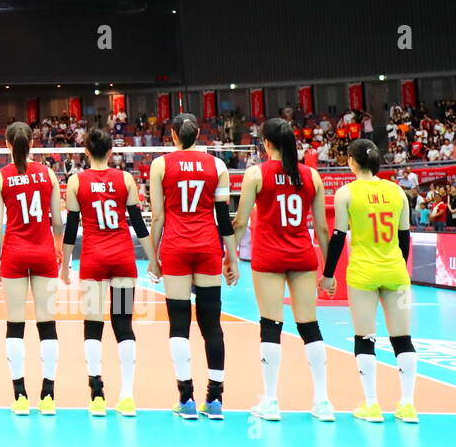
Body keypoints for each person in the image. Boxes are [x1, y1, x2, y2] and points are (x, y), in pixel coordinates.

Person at [232, 119, 334, 422]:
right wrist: (328, 272)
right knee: (309, 326)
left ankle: (271, 400)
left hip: (269, 257)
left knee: (270, 325)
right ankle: (324, 402)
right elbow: (323, 230)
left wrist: (229, 256)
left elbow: (239, 222)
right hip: (302, 256)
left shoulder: (255, 174)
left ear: (266, 143)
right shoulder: (311, 175)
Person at [322, 139, 419, 424]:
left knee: (365, 337)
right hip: (395, 272)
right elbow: (404, 238)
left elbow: (339, 237)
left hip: (363, 273)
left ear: (352, 161)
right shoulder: (397, 191)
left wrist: (328, 275)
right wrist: (397, 265)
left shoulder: (346, 193)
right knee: (403, 339)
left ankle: (372, 405)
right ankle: (408, 405)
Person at [148, 112, 237, 420]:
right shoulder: (218, 165)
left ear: (173, 135)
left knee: (179, 324)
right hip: (207, 247)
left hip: (175, 248)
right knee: (212, 326)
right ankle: (215, 400)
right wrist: (233, 257)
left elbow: (157, 217)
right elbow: (223, 217)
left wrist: (152, 256)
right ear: (198, 134)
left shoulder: (160, 165)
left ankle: (186, 399)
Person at [65, 128, 150, 418]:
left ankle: (97, 393)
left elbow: (71, 229)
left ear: (86, 151)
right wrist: (154, 259)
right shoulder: (125, 179)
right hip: (123, 260)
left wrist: (64, 265)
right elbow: (139, 226)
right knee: (123, 323)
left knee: (92, 324)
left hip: (93, 261)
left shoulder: (76, 181)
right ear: (111, 152)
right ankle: (127, 395)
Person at [0, 122, 65, 416]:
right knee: (47, 323)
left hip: (15, 254)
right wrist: (58, 246)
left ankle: (20, 396)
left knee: (15, 324)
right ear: (31, 143)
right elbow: (58, 220)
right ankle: (48, 396)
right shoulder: (47, 173)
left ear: (6, 144)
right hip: (44, 252)